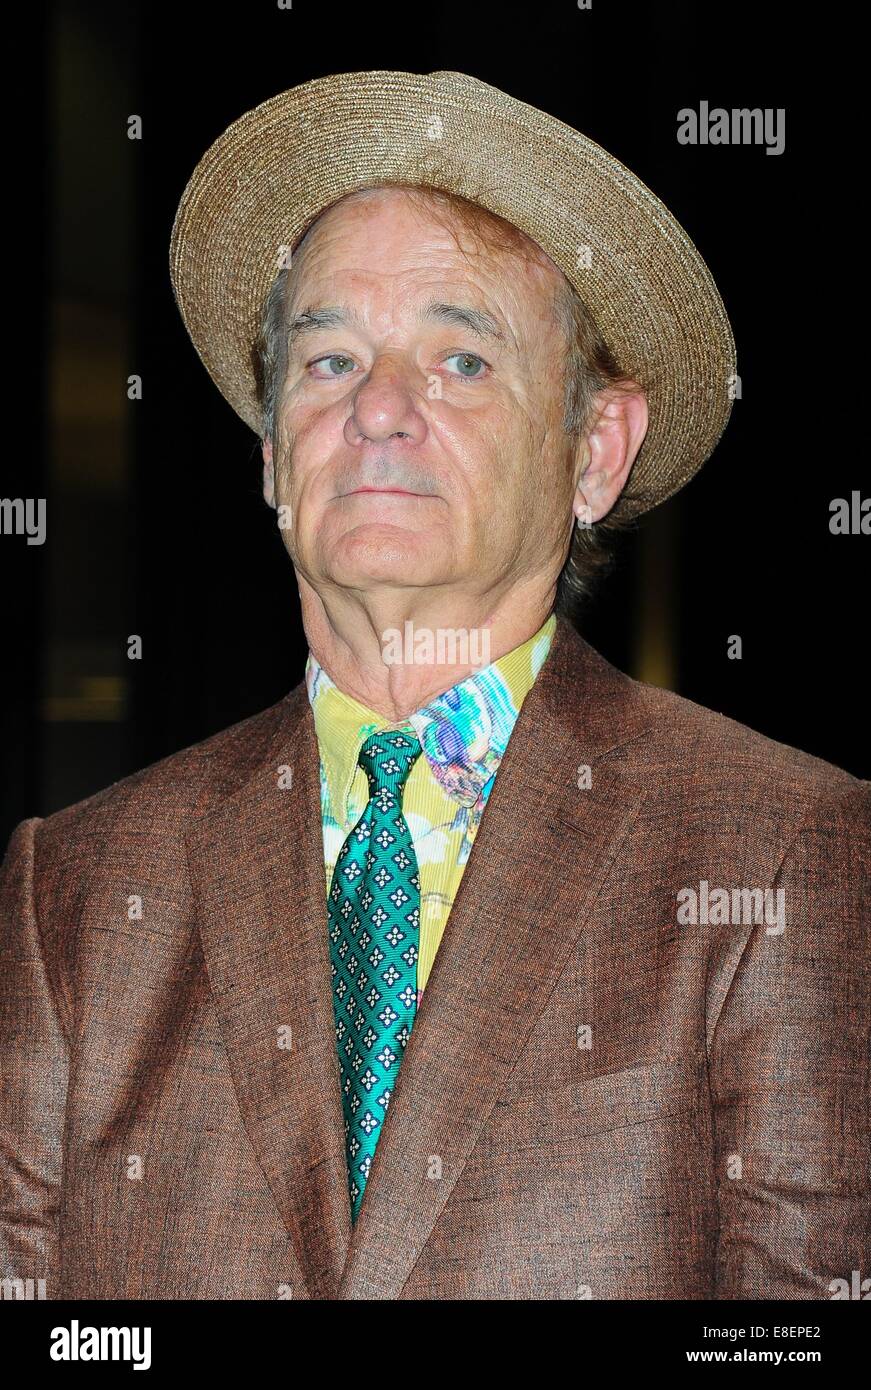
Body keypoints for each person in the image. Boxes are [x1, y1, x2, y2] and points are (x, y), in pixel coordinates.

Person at [1, 70, 867, 1300]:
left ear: (594, 452)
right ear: (268, 458)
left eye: (460, 360)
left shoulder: (781, 849)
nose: (380, 412)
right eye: (331, 358)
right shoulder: (73, 891)